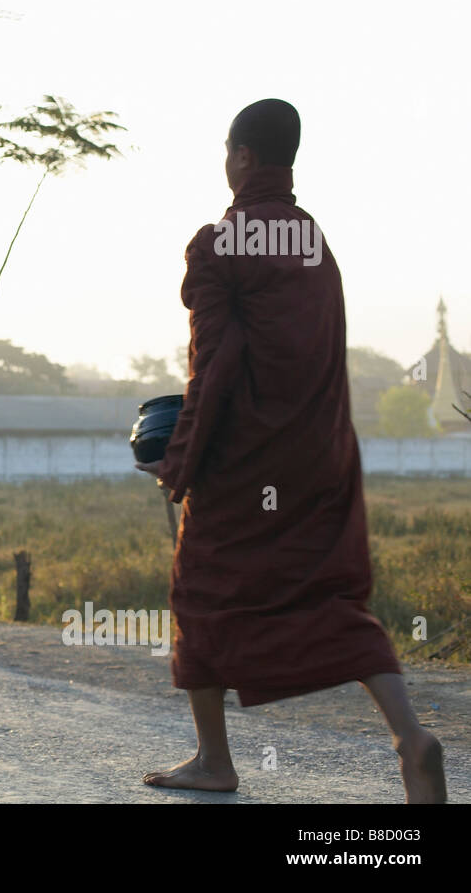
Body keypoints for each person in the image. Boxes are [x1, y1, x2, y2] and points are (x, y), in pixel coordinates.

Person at [136, 99, 445, 803]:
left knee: (203, 589)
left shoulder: (218, 244)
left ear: (243, 157)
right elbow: (321, 356)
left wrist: (179, 461)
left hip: (244, 462)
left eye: (226, 149)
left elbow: (213, 365)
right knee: (334, 595)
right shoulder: (313, 242)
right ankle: (409, 735)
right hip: (320, 457)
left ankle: (215, 759)